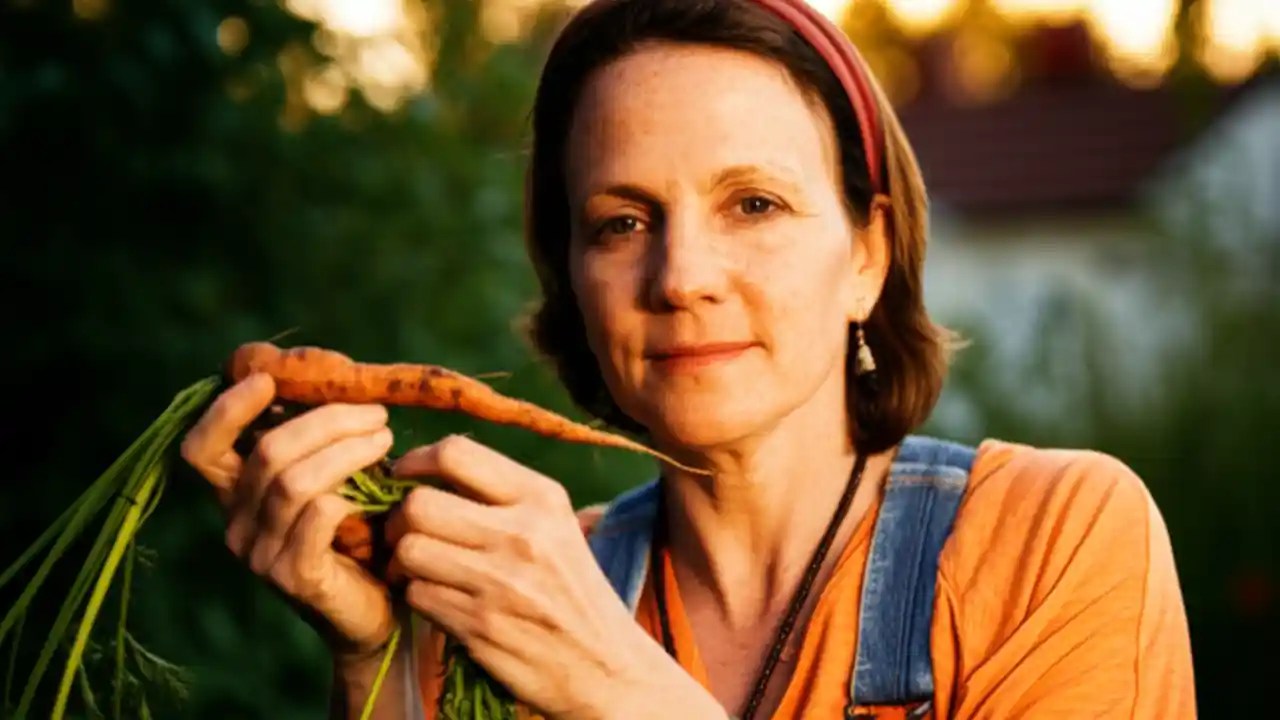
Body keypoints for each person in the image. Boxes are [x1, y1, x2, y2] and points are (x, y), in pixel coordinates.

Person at [179, 0, 1197, 718]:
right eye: (621, 222)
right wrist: (376, 666)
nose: (680, 277)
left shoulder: (1050, 540)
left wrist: (612, 684)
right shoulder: (502, 599)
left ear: (867, 255)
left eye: (752, 204)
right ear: (573, 281)